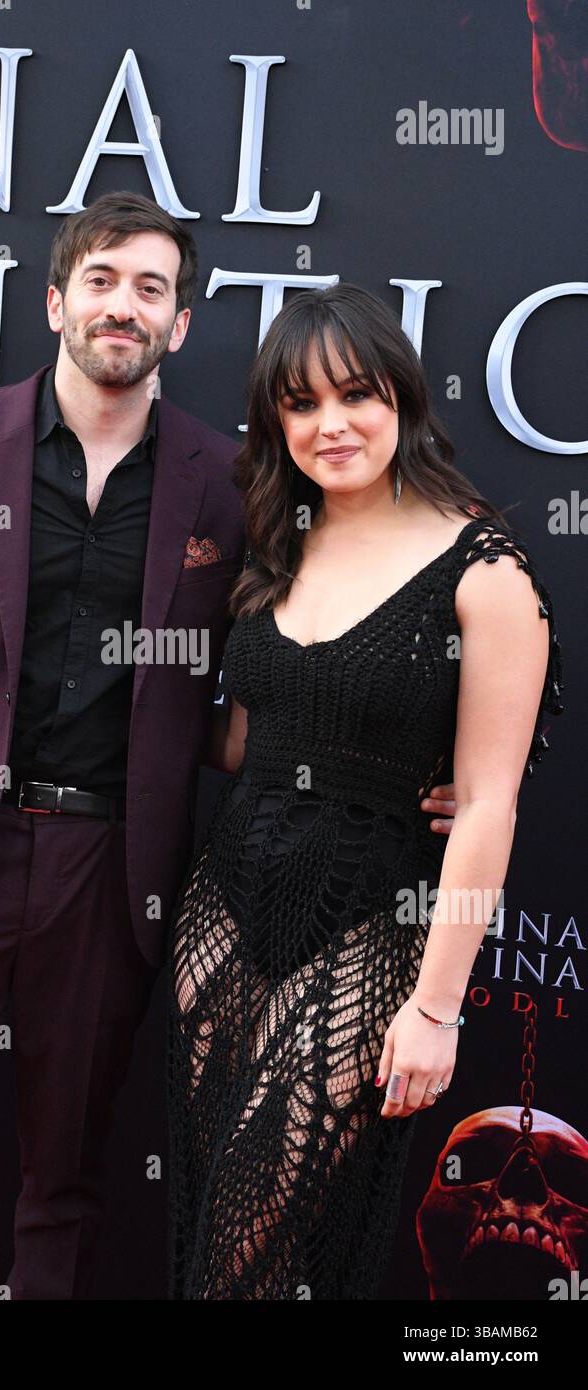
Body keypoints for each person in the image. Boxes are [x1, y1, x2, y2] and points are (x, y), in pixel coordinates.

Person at [0, 193, 454, 1300]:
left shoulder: (230, 484)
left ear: (179, 325)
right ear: (56, 301)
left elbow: (302, 657)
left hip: (112, 880)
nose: (122, 305)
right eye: (100, 280)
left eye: (151, 288)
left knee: (65, 1189)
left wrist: (407, 771)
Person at [166, 282, 564, 1300]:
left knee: (249, 1253)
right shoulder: (275, 541)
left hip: (369, 932)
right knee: (204, 1226)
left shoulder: (483, 570)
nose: (330, 425)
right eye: (300, 404)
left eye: (355, 395)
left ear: (402, 398)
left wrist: (436, 1009)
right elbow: (244, 742)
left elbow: (486, 803)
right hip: (222, 921)